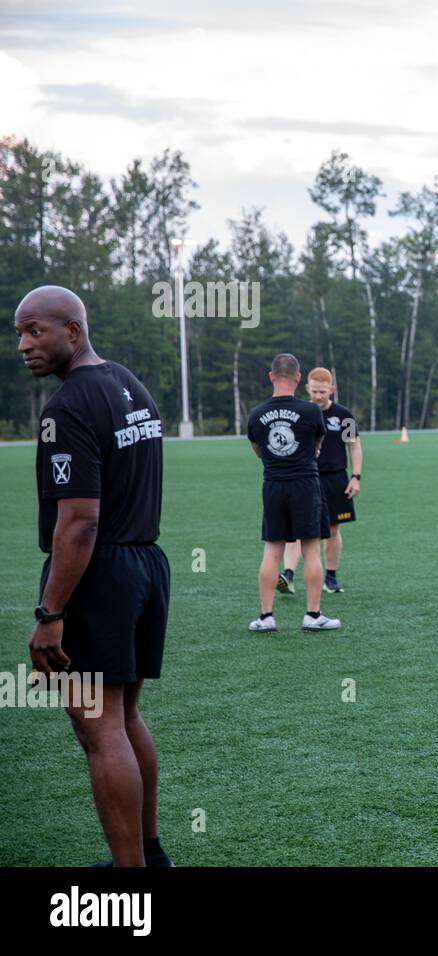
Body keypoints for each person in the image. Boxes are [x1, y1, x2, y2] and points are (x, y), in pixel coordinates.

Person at [17, 285, 174, 866]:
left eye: (37, 331)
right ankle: (149, 856)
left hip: (97, 574)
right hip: (144, 567)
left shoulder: (69, 405)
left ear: (73, 332)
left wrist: (50, 613)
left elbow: (80, 522)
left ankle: (132, 882)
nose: (25, 345)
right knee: (125, 716)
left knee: (98, 729)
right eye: (19, 334)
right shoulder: (128, 382)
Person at [246, 354, 340, 632]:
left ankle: (266, 617)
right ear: (299, 379)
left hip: (273, 485)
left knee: (272, 550)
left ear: (270, 376)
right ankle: (312, 615)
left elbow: (258, 450)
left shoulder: (256, 414)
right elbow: (317, 444)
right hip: (305, 485)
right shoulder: (311, 411)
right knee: (311, 550)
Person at [280, 368, 362, 595]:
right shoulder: (299, 413)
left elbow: (353, 446)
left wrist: (356, 477)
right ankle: (287, 576)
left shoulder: (343, 415)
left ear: (332, 390)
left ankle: (331, 577)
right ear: (307, 388)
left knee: (333, 530)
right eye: (314, 391)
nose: (318, 396)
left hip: (335, 478)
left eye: (323, 392)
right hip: (304, 478)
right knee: (298, 528)